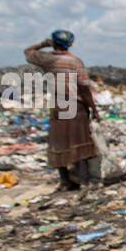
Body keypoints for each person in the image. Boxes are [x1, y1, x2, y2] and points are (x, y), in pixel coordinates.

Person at [24, 30, 98, 191]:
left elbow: (28, 51)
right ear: (70, 44)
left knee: (59, 143)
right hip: (76, 106)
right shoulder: (75, 61)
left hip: (58, 105)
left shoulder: (47, 59)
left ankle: (65, 182)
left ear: (53, 42)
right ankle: (84, 181)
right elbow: (84, 88)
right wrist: (93, 108)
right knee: (80, 142)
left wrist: (44, 44)